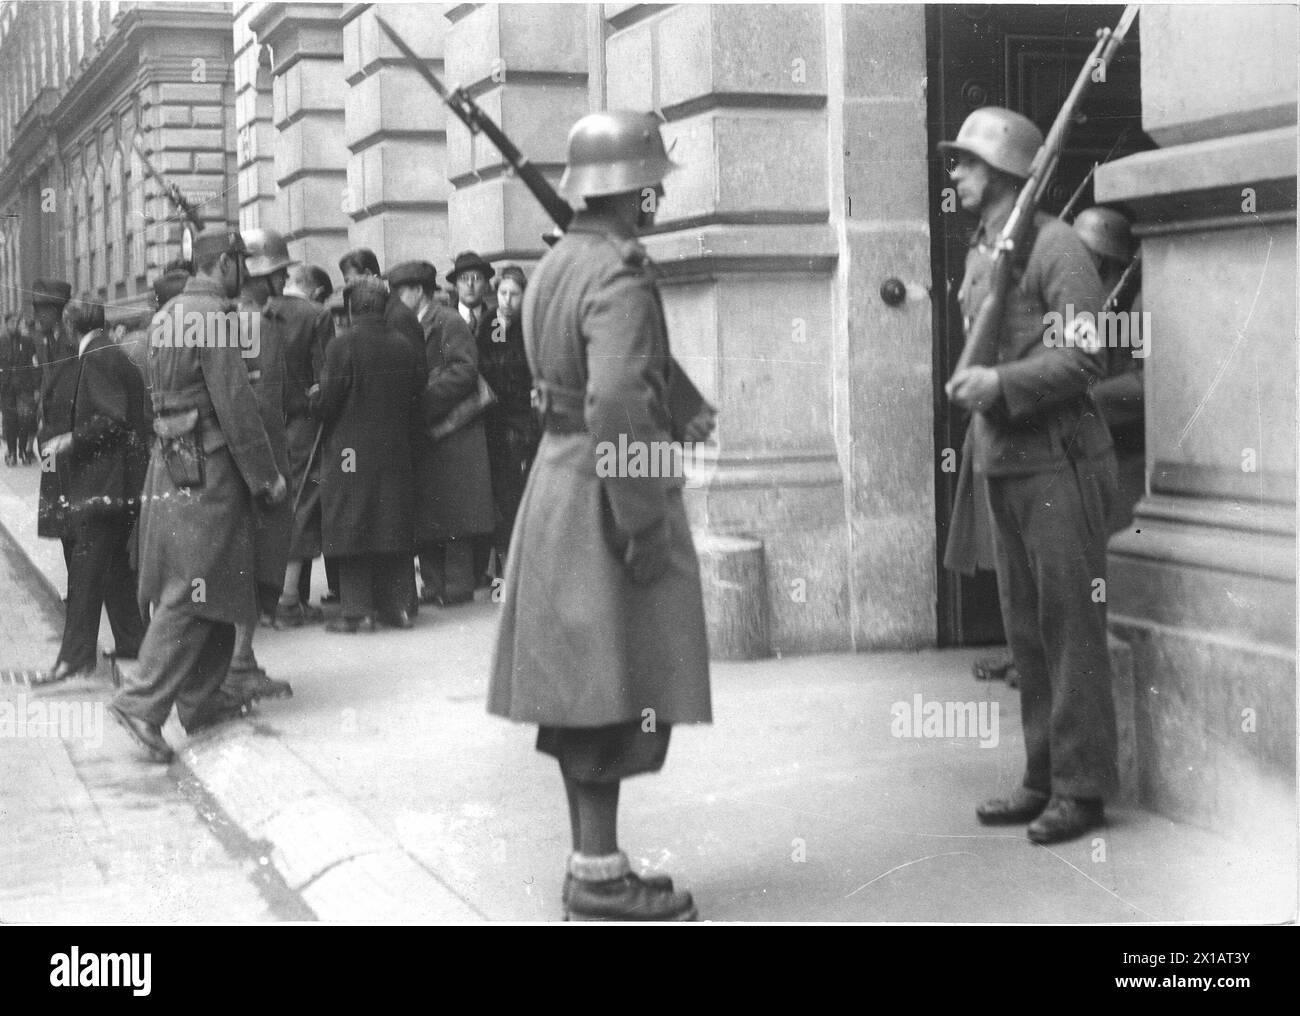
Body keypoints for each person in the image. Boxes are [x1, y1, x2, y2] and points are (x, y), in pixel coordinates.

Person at [488, 110, 714, 921]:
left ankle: (598, 862)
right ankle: (596, 876)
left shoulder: (554, 266)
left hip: (558, 480)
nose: (657, 194)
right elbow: (617, 400)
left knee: (587, 688)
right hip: (604, 490)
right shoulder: (617, 271)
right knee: (611, 687)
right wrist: (643, 520)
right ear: (631, 187)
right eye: (651, 180)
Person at [941, 107, 1118, 844]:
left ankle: (1081, 788)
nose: (953, 175)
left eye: (966, 164)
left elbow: (1085, 358)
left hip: (1056, 459)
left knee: (1069, 627)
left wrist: (1002, 386)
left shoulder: (1059, 249)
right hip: (1005, 462)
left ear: (1008, 171)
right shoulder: (986, 248)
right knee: (1025, 632)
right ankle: (1042, 775)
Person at [109, 228, 287, 763]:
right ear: (226, 264)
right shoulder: (215, 316)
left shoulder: (164, 315)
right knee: (195, 586)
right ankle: (142, 703)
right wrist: (266, 477)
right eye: (242, 264)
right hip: (209, 469)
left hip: (171, 463)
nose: (248, 274)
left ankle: (198, 701)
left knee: (211, 582)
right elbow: (234, 404)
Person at [34, 293, 149, 685]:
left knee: (84, 573)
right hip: (118, 483)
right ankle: (134, 641)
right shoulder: (108, 350)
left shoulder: (97, 356)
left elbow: (112, 419)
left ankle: (74, 658)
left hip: (104, 485)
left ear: (70, 326)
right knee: (114, 567)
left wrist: (71, 440)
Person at [313, 276, 424, 633]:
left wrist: (315, 399)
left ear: (351, 307)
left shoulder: (341, 346)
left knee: (351, 525)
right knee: (390, 525)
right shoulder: (403, 345)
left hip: (349, 453)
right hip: (394, 450)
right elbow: (416, 392)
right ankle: (399, 608)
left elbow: (329, 400)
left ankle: (358, 612)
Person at [388, 259, 494, 608]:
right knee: (430, 510)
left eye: (401, 291)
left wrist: (425, 398)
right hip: (429, 430)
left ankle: (458, 586)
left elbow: (465, 370)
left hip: (454, 429)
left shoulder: (448, 321)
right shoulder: (410, 323)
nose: (396, 298)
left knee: (456, 513)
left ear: (418, 291)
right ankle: (434, 584)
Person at [222, 227, 296, 703]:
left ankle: (236, 661)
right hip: (261, 468)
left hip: (235, 467)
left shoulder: (227, 320)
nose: (285, 279)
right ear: (262, 276)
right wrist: (271, 474)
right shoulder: (260, 326)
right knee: (258, 563)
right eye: (279, 272)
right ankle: (239, 664)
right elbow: (265, 406)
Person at [271, 261, 336, 625]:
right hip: (303, 425)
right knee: (302, 506)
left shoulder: (258, 309)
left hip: (264, 424)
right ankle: (289, 598)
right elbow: (325, 376)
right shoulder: (316, 315)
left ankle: (276, 598)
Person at [1075, 206, 1145, 532]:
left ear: (1099, 261)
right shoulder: (1082, 306)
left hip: (1126, 464)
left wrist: (1084, 400)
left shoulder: (1136, 304)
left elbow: (1146, 385)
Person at [477, 264, 540, 572]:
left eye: (514, 295)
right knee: (502, 492)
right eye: (503, 293)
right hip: (497, 419)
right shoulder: (490, 323)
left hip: (526, 420)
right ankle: (503, 563)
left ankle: (522, 560)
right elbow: (485, 365)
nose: (507, 300)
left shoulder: (530, 325)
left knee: (522, 489)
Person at [32, 280, 79, 589]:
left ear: (57, 311)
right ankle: (75, 585)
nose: (37, 316)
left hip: (68, 444)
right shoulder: (46, 342)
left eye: (41, 310)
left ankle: (80, 586)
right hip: (51, 445)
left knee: (74, 522)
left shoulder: (71, 346)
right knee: (62, 522)